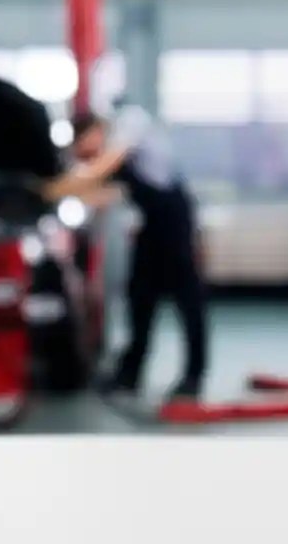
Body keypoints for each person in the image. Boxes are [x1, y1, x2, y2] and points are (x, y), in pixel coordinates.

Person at [42, 105, 208, 401]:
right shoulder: (110, 153)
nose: (82, 157)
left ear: (93, 132)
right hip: (149, 228)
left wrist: (45, 191)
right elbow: (104, 192)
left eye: (82, 149)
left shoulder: (129, 123)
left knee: (188, 300)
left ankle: (193, 377)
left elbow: (98, 171)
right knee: (140, 297)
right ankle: (130, 375)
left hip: (174, 223)